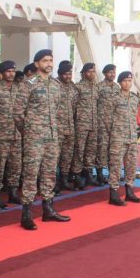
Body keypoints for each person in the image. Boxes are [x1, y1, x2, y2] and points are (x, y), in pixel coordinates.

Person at [14, 49, 71, 230]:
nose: (48, 63)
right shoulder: (28, 84)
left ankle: (48, 209)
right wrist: (29, 130)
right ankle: (26, 214)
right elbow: (17, 112)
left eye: (50, 60)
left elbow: (57, 110)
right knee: (31, 174)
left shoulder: (56, 85)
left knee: (49, 173)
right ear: (37, 64)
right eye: (45, 60)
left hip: (52, 137)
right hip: (34, 137)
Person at [108, 71, 140, 206]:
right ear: (120, 82)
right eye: (124, 81)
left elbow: (135, 117)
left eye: (129, 81)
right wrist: (112, 134)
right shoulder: (114, 98)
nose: (127, 83)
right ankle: (114, 194)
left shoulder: (135, 98)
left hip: (132, 137)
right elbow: (106, 118)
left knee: (131, 165)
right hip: (118, 137)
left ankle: (129, 192)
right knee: (116, 166)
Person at [0, 60, 22, 208]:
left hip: (17, 134)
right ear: (2, 73)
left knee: (15, 166)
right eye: (8, 71)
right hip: (0, 135)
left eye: (13, 71)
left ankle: (13, 193)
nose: (11, 74)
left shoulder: (19, 88)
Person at [72, 63, 100, 189]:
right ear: (83, 73)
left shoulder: (95, 87)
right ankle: (77, 175)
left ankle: (89, 174)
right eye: (89, 71)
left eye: (93, 71)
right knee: (79, 150)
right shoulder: (77, 87)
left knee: (91, 150)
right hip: (81, 124)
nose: (91, 74)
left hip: (93, 124)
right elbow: (72, 106)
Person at [96, 63, 119, 185]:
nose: (112, 74)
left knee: (114, 150)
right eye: (110, 72)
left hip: (114, 124)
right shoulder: (99, 87)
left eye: (114, 72)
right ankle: (99, 174)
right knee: (102, 148)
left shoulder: (117, 88)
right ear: (105, 73)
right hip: (102, 123)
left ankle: (113, 174)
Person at [56, 60, 77, 192]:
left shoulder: (72, 86)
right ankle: (53, 182)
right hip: (57, 128)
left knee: (67, 155)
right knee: (55, 157)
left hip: (70, 127)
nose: (68, 77)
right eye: (65, 74)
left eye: (70, 74)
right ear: (60, 74)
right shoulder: (54, 85)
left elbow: (74, 106)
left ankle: (64, 179)